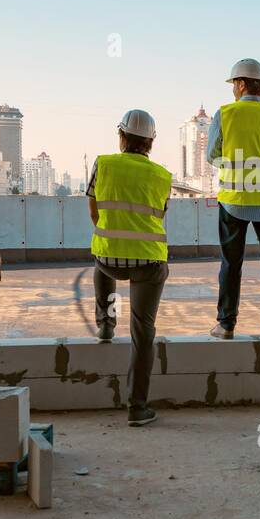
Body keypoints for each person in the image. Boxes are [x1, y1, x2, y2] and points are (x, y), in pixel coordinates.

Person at [87, 110, 172, 426]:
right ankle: (137, 408)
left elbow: (95, 214)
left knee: (99, 264)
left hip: (109, 261)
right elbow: (157, 217)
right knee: (143, 333)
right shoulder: (163, 176)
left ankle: (106, 324)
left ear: (121, 136)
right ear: (151, 142)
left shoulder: (103, 164)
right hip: (148, 264)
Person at [207, 58, 260, 339]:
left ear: (241, 84)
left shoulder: (225, 114)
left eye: (234, 85)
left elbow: (211, 156)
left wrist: (233, 164)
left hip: (235, 200)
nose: (233, 90)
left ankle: (226, 324)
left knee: (231, 263)